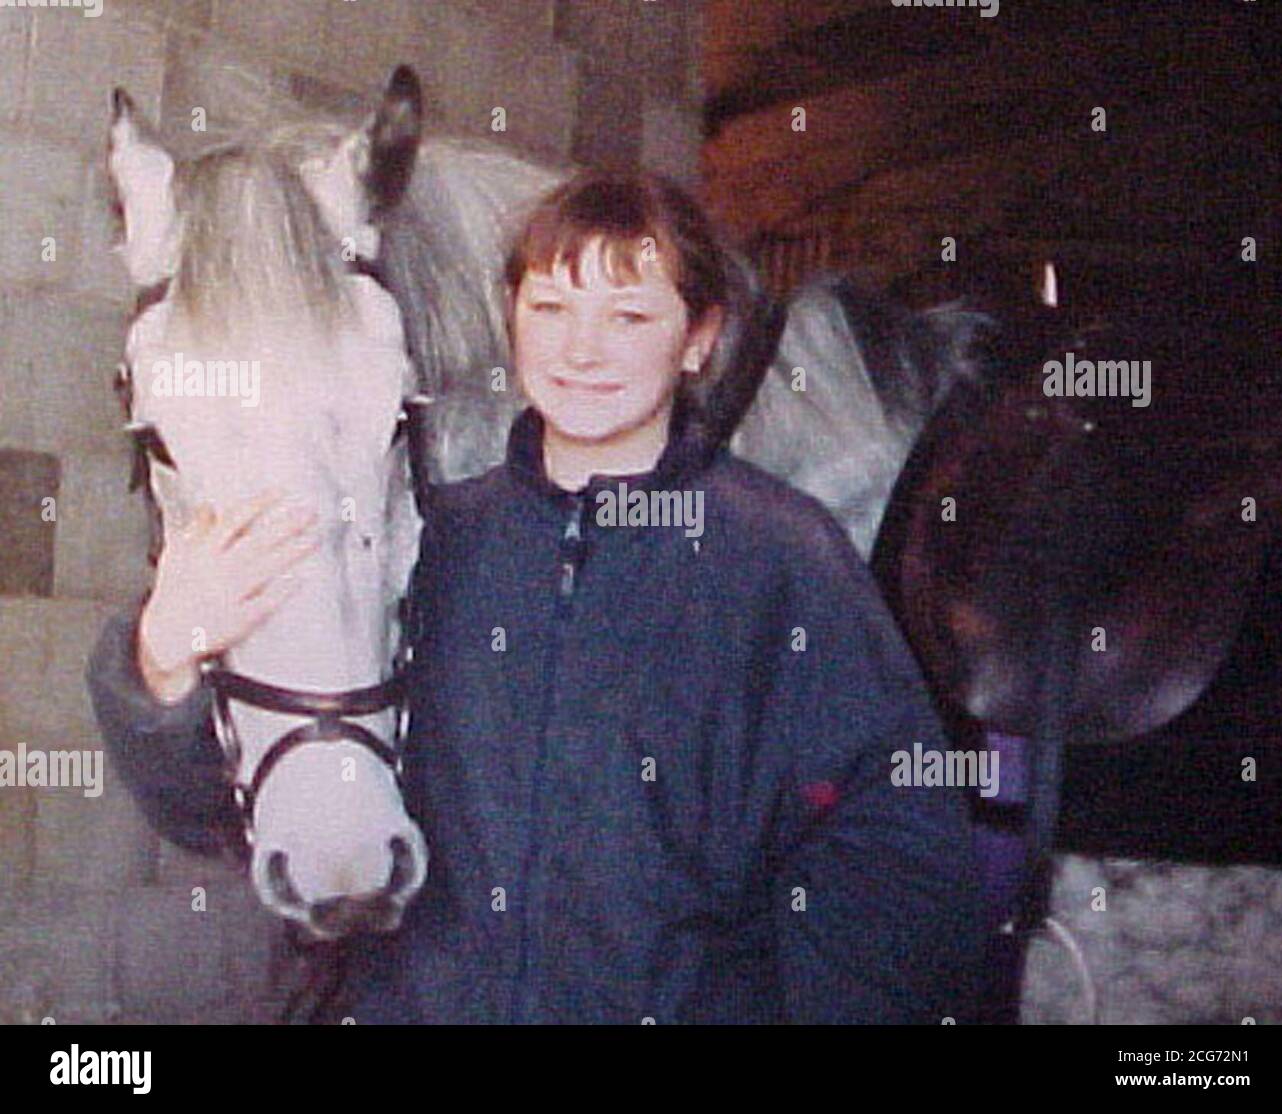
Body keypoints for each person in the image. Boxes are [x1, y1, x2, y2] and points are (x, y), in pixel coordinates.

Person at [87, 170, 983, 1023]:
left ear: (698, 340)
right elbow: (231, 810)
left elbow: (894, 850)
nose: (581, 351)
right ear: (511, 319)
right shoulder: (433, 543)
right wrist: (160, 664)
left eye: (629, 315)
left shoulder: (781, 560)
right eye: (550, 309)